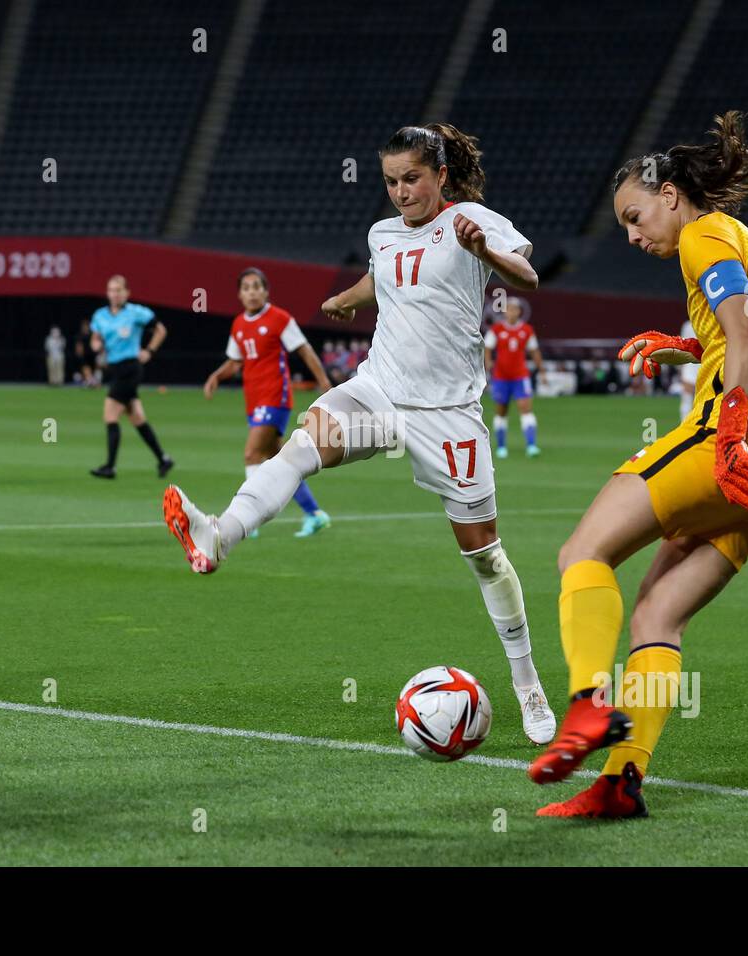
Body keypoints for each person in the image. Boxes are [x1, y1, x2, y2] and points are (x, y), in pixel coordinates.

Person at [162, 123, 557, 743]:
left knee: (484, 555)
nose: (401, 192)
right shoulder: (381, 234)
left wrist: (483, 251)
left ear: (441, 176)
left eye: (412, 179)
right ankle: (220, 534)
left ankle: (528, 684)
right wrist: (348, 297)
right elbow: (387, 277)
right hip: (378, 390)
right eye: (391, 182)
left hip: (447, 413)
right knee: (298, 447)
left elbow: (527, 279)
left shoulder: (473, 220)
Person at [530, 113, 748, 817]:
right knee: (658, 612)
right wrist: (689, 350)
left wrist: (730, 430)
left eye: (634, 216)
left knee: (583, 552)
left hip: (735, 440)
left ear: (670, 194)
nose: (631, 235)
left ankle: (589, 706)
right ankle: (622, 783)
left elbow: (743, 332)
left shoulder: (701, 233)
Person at [204, 267, 334, 538]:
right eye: (247, 288)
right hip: (253, 399)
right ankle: (315, 514)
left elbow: (304, 350)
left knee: (252, 454)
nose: (252, 292)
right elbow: (236, 361)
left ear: (266, 291)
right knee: (283, 461)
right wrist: (217, 375)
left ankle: (246, 519)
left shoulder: (279, 319)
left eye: (257, 287)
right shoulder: (239, 324)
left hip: (275, 397)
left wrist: (323, 382)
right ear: (240, 294)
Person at [88, 275, 173, 478]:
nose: (115, 294)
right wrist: (96, 346)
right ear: (107, 293)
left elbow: (161, 330)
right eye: (111, 290)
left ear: (127, 292)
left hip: (130, 369)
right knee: (137, 419)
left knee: (110, 415)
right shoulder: (100, 315)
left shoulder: (136, 313)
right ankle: (163, 459)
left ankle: (110, 467)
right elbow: (95, 338)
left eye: (119, 290)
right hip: (114, 369)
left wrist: (149, 351)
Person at [484, 295, 544, 458]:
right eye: (509, 309)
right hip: (501, 377)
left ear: (519, 312)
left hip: (520, 376)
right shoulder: (496, 330)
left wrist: (542, 370)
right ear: (505, 311)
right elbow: (488, 348)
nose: (512, 312)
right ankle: (501, 447)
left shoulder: (526, 330)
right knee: (501, 411)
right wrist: (488, 363)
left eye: (515, 309)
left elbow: (534, 350)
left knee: (525, 408)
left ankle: (531, 446)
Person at [677, 319, 700, 422]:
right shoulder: (688, 325)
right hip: (697, 364)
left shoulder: (687, 325)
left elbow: (682, 347)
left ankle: (686, 423)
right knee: (689, 398)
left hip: (694, 364)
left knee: (688, 398)